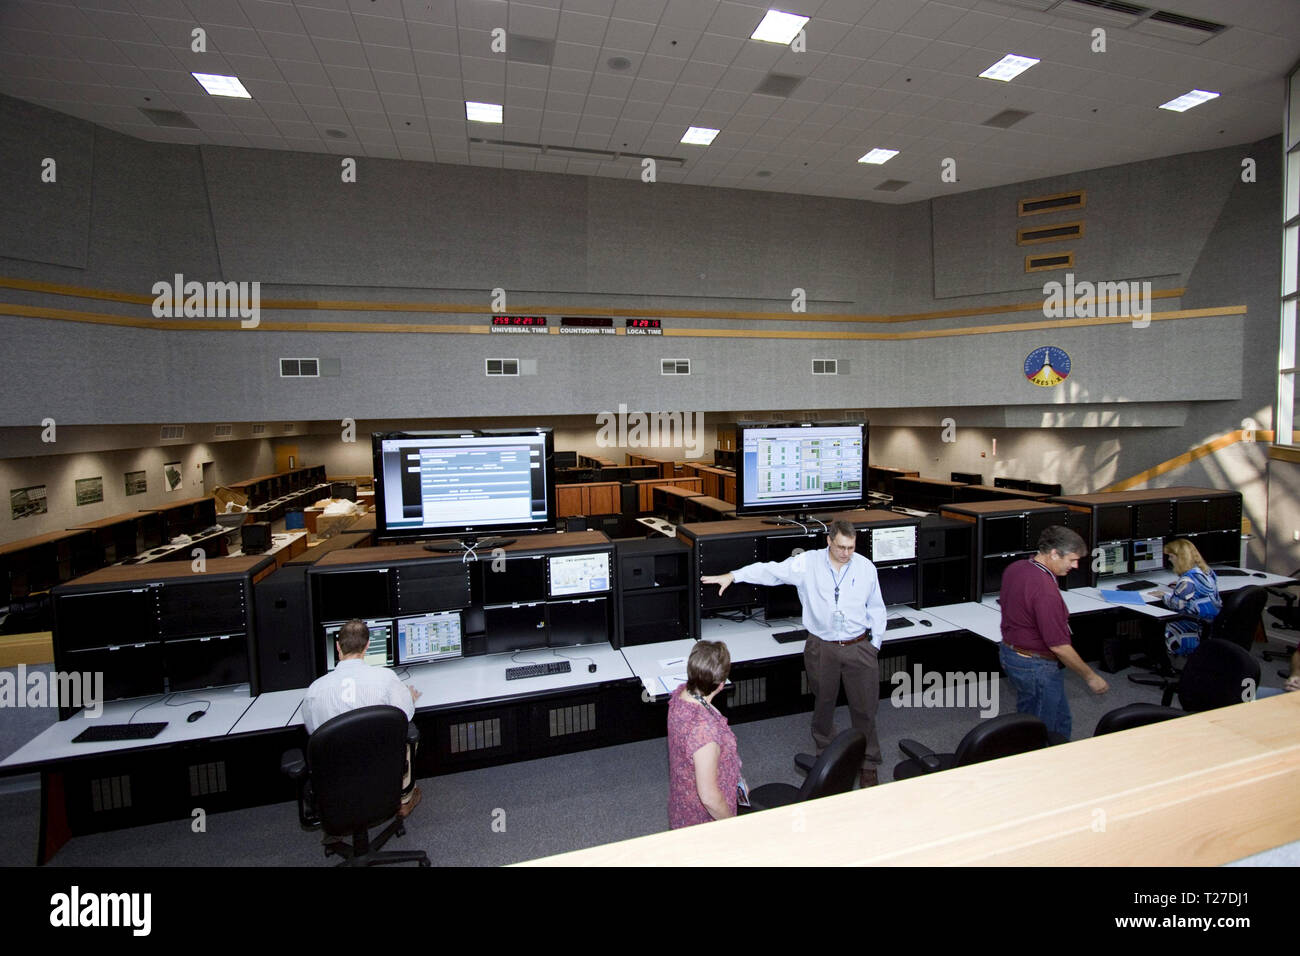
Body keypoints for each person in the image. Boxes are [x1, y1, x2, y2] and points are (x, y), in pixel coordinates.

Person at [701, 518, 887, 787]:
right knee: (823, 704)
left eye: (851, 548)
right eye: (841, 547)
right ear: (829, 542)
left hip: (859, 646)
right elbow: (770, 572)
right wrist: (734, 575)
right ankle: (826, 756)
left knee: (865, 709)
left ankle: (869, 763)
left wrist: (875, 644)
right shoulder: (808, 564)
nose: (847, 554)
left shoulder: (865, 567)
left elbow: (877, 608)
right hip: (821, 647)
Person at [302, 619, 423, 818]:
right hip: (378, 762)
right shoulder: (386, 678)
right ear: (367, 646)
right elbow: (404, 716)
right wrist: (409, 697)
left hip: (336, 771)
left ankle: (334, 816)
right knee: (408, 737)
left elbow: (313, 732)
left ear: (338, 646)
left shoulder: (315, 689)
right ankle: (403, 800)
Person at [999, 525, 1108, 740]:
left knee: (1058, 718)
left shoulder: (1017, 567)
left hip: (1012, 654)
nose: (1076, 566)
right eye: (1072, 560)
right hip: (1036, 666)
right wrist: (1091, 677)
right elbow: (1059, 646)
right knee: (1039, 728)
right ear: (1054, 554)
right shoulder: (1044, 590)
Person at [667, 640, 746, 827]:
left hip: (682, 803)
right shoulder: (704, 733)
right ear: (721, 684)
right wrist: (733, 825)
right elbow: (710, 798)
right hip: (704, 821)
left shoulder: (682, 696)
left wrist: (737, 780)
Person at [1155, 538, 1221, 657]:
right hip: (1210, 625)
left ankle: (1163, 664)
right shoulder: (1207, 572)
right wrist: (1180, 586)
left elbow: (1177, 605)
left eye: (1171, 556)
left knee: (1152, 622)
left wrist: (1163, 595)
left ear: (1181, 558)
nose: (1169, 560)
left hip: (1191, 627)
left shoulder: (1187, 581)